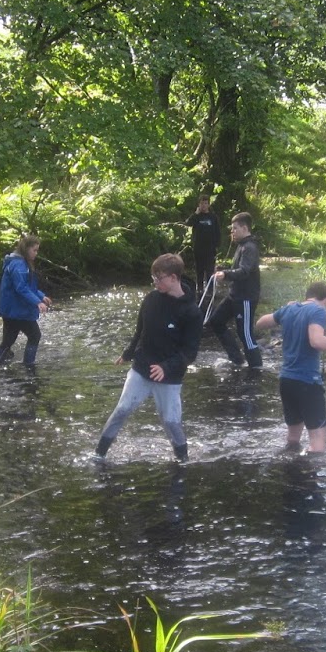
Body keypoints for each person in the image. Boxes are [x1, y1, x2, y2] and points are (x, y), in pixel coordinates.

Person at [95, 253, 203, 462]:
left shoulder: (191, 313)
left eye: (159, 278)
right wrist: (127, 353)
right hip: (142, 368)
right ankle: (98, 455)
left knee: (171, 422)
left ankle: (183, 461)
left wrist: (166, 367)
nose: (155, 282)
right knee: (122, 410)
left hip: (169, 377)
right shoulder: (151, 299)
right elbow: (140, 332)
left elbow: (190, 353)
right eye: (153, 277)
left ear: (174, 278)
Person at [255, 280, 326, 455]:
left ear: (307, 296)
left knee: (293, 439)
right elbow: (316, 341)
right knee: (317, 444)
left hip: (286, 380)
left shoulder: (290, 309)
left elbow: (260, 323)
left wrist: (284, 309)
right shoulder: (318, 310)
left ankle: (290, 472)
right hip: (307, 382)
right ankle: (308, 479)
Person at [205, 211, 263, 370]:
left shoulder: (249, 248)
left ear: (244, 228)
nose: (232, 232)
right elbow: (238, 269)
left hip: (245, 298)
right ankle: (237, 359)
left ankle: (256, 367)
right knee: (216, 321)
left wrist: (225, 274)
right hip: (234, 295)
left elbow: (244, 271)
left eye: (235, 228)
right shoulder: (242, 246)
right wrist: (224, 270)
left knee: (246, 335)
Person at [0, 234, 51, 369]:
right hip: (17, 310)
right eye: (34, 250)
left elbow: (29, 286)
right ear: (26, 249)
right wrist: (37, 302)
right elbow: (21, 288)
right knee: (35, 335)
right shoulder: (19, 265)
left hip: (12, 310)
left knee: (7, 341)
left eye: (37, 250)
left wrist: (41, 296)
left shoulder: (19, 263)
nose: (36, 254)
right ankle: (29, 365)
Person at [186, 194, 221, 299]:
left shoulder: (213, 217)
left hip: (210, 249)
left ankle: (210, 290)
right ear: (199, 204)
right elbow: (188, 223)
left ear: (208, 205)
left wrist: (217, 245)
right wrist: (195, 214)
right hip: (198, 248)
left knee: (210, 270)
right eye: (202, 203)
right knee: (199, 270)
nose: (204, 205)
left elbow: (218, 232)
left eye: (206, 203)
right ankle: (199, 289)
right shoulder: (196, 217)